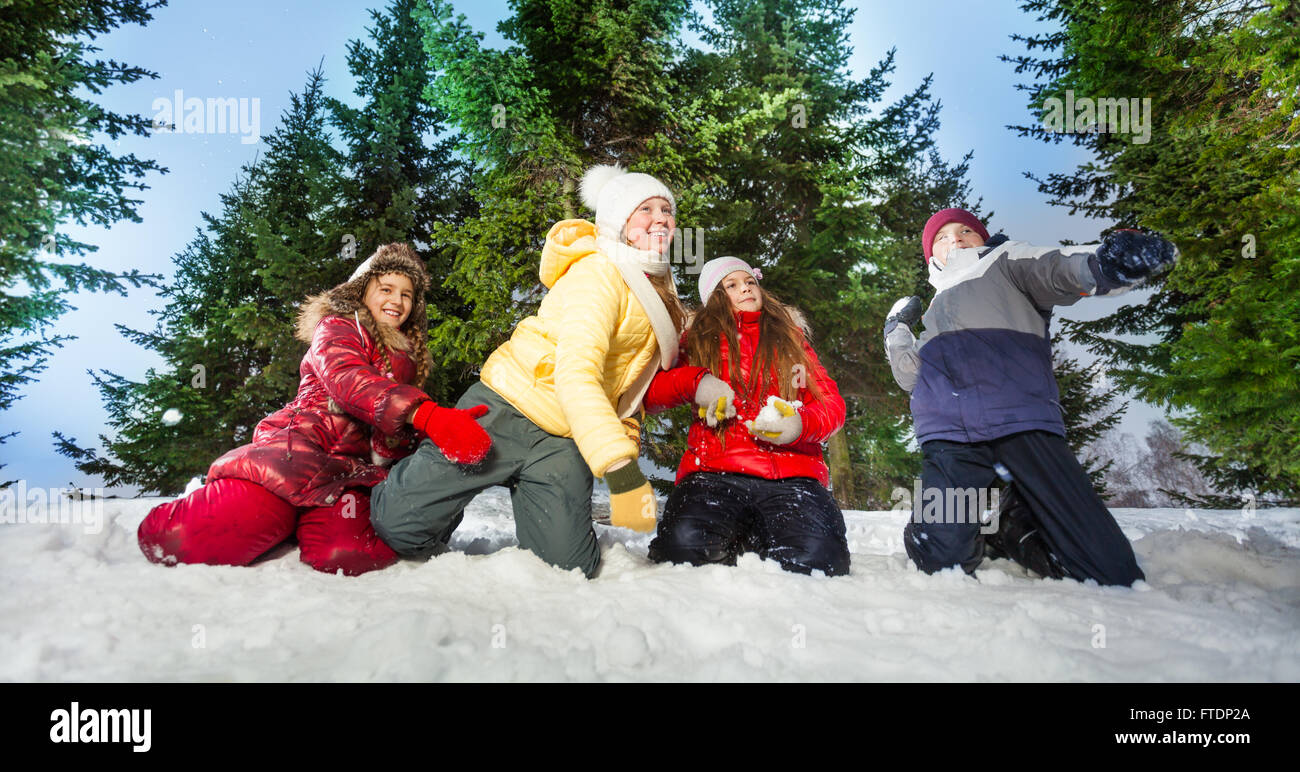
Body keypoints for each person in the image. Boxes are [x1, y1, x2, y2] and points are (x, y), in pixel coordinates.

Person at [370, 165, 729, 578]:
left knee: (569, 567)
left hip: (562, 439)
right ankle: (416, 490)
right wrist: (622, 471)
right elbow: (577, 373)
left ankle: (521, 491)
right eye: (645, 208)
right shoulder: (599, 273)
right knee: (396, 527)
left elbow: (628, 391)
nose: (661, 217)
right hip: (508, 409)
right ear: (620, 223)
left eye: (667, 209)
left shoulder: (656, 291)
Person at [137, 243, 490, 576]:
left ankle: (297, 520)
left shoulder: (409, 365)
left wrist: (427, 440)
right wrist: (424, 414)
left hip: (351, 475)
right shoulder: (338, 327)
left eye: (407, 294)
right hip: (297, 450)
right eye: (386, 288)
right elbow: (348, 378)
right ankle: (258, 509)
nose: (397, 300)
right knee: (182, 536)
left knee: (346, 554)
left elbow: (389, 437)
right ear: (362, 290)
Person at [884, 208, 1177, 585]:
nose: (954, 240)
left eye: (965, 231)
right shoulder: (934, 314)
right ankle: (965, 529)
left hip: (1023, 424)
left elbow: (1059, 268)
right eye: (942, 237)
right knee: (940, 560)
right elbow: (910, 376)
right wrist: (897, 329)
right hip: (950, 440)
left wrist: (1106, 262)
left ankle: (1011, 524)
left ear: (982, 238)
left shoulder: (1007, 262)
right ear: (931, 257)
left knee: (1110, 571)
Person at [645, 256, 850, 576]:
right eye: (732, 284)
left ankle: (751, 531)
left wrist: (800, 425)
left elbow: (831, 404)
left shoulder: (793, 340)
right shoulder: (695, 339)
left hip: (792, 475)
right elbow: (652, 394)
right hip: (713, 472)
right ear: (715, 297)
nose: (745, 288)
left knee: (819, 558)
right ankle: (748, 530)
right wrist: (697, 382)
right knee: (683, 549)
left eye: (750, 281)